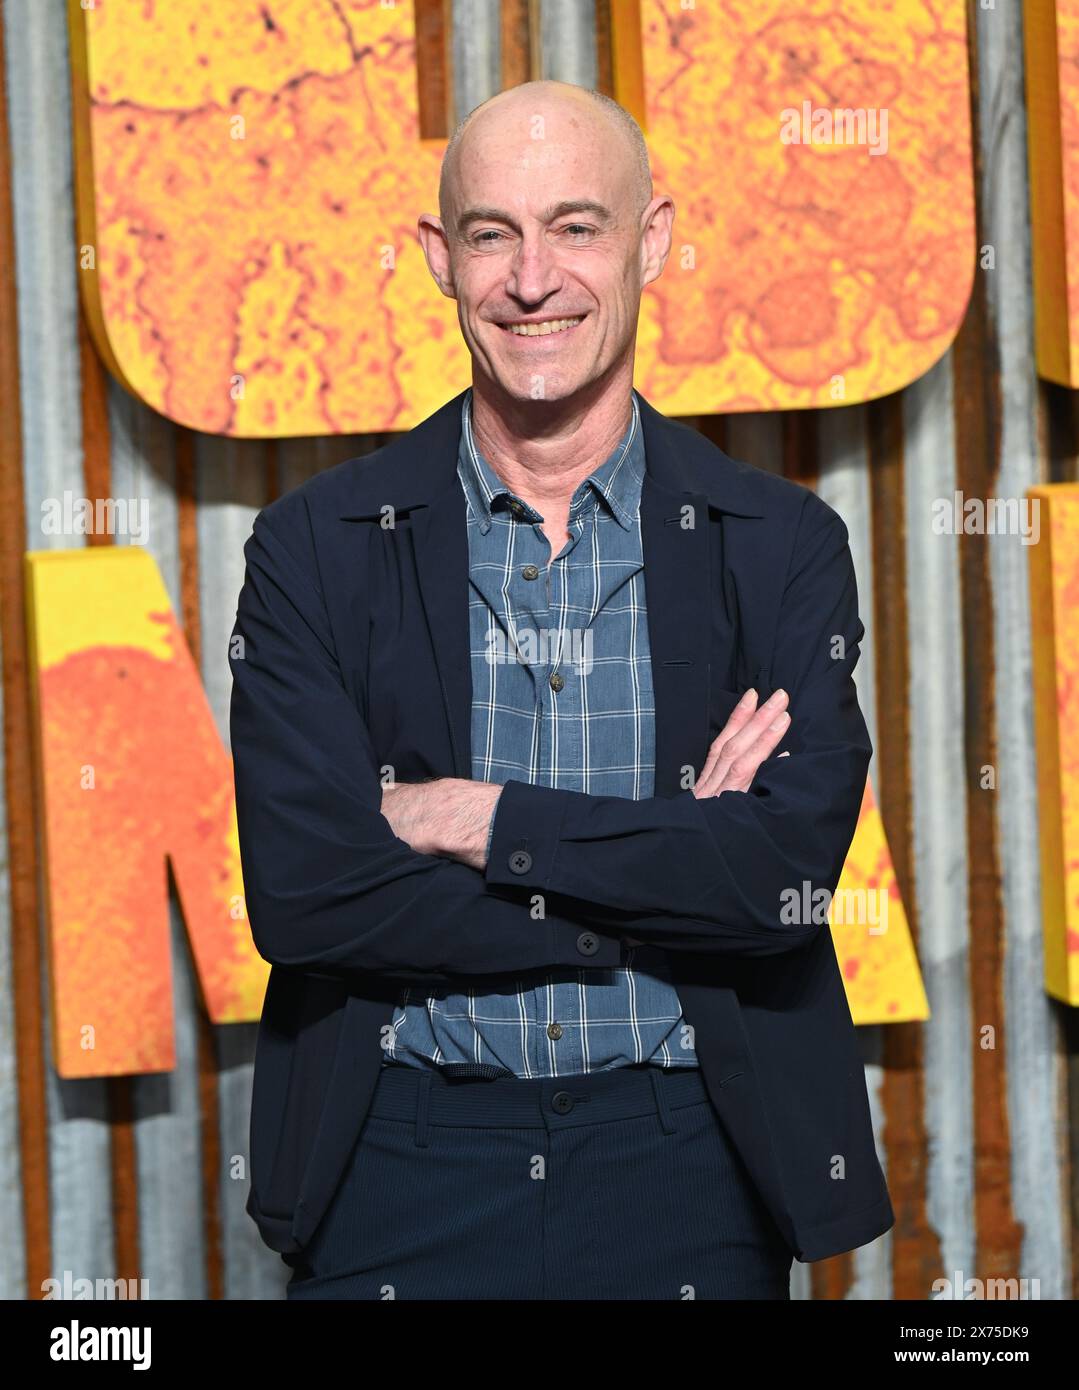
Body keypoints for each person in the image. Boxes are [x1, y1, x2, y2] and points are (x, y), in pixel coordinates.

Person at [229, 79, 894, 1300]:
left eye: (577, 226)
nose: (533, 279)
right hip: (397, 1167)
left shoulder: (777, 542)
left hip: (691, 1163)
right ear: (440, 258)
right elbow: (307, 898)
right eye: (492, 233)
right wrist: (663, 873)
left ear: (652, 240)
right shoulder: (315, 545)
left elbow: (777, 885)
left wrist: (477, 818)